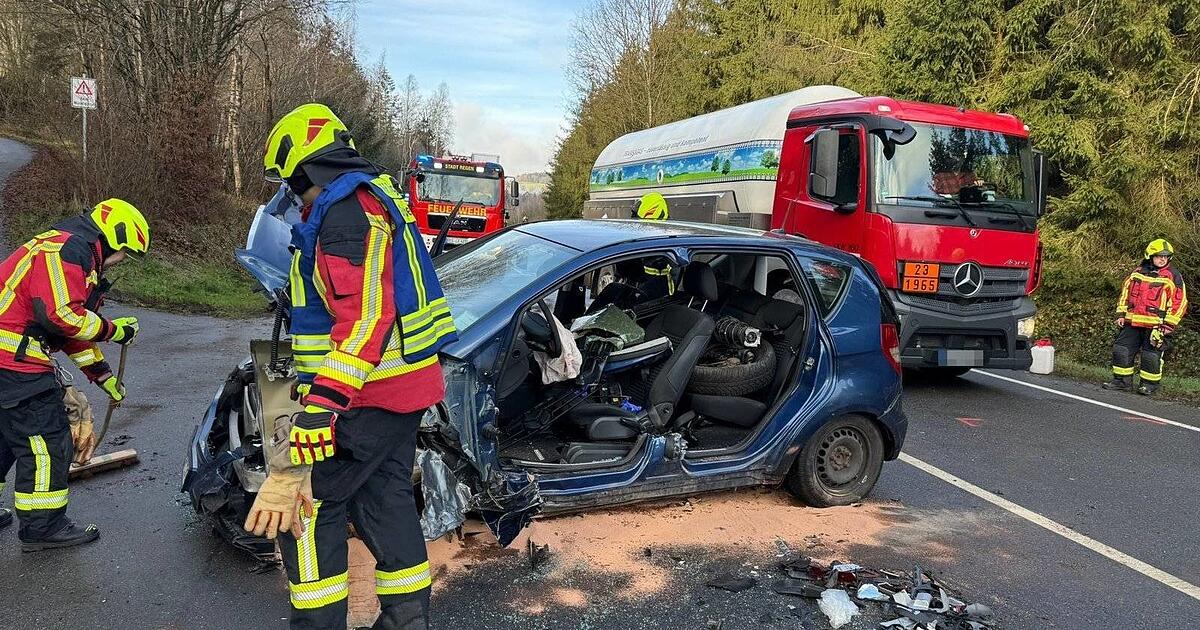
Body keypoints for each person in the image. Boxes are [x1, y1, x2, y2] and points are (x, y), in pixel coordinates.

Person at [247, 103, 458, 630]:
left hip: (364, 396)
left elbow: (366, 320)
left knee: (305, 504)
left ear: (302, 170)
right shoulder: (372, 197)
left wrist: (318, 411)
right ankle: (407, 622)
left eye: (290, 184)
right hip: (400, 392)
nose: (292, 198)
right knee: (386, 500)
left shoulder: (343, 212)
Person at [0, 199, 145, 550]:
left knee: (5, 438)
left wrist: (102, 375)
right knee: (47, 444)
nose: (121, 260)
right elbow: (61, 316)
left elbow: (66, 332)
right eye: (124, 251)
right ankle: (43, 528)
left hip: (8, 359)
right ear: (113, 237)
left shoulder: (62, 245)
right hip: (16, 363)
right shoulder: (70, 249)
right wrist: (113, 330)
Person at [1103, 239, 1188, 395]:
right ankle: (1122, 381)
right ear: (1150, 256)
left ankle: (1149, 385)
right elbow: (1125, 294)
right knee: (1121, 350)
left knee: (1151, 357)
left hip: (1156, 326)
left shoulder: (1172, 276)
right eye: (1158, 256)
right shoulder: (1137, 272)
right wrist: (1121, 314)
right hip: (1132, 322)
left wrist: (1168, 325)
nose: (1162, 259)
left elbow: (1179, 302)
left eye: (1166, 256)